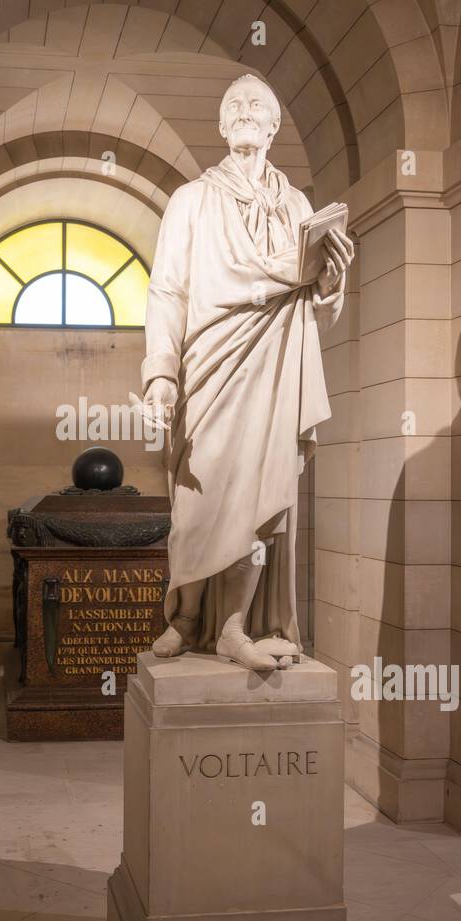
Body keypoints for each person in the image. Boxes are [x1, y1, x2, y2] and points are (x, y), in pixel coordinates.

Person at [142, 74, 354, 670]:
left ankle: (233, 627)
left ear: (272, 124)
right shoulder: (192, 199)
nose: (244, 111)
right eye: (233, 104)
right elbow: (167, 289)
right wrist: (161, 372)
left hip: (272, 366)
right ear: (221, 124)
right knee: (196, 500)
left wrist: (332, 278)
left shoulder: (296, 205)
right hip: (210, 363)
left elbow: (316, 302)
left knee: (261, 500)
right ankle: (184, 618)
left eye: (256, 104)